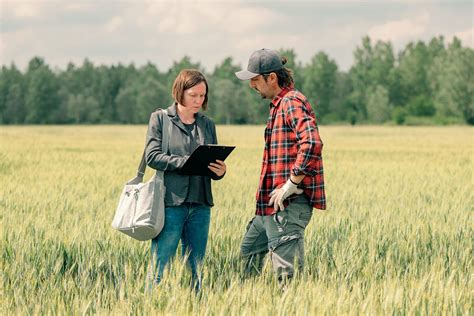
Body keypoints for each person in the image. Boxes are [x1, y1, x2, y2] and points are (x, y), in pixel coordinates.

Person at [235, 48, 326, 284]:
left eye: (255, 80)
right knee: (248, 254)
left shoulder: (291, 102)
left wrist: (291, 183)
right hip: (269, 207)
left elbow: (312, 142)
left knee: (287, 276)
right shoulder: (278, 104)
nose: (251, 85)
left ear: (271, 78)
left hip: (288, 206)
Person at [145, 69, 226, 290]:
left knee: (197, 270)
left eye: (202, 95)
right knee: (160, 267)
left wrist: (220, 171)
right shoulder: (160, 118)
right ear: (180, 92)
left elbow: (211, 159)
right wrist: (186, 162)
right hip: (171, 204)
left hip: (201, 205)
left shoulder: (207, 124)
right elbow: (151, 156)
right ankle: (150, 306)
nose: (199, 100)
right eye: (194, 95)